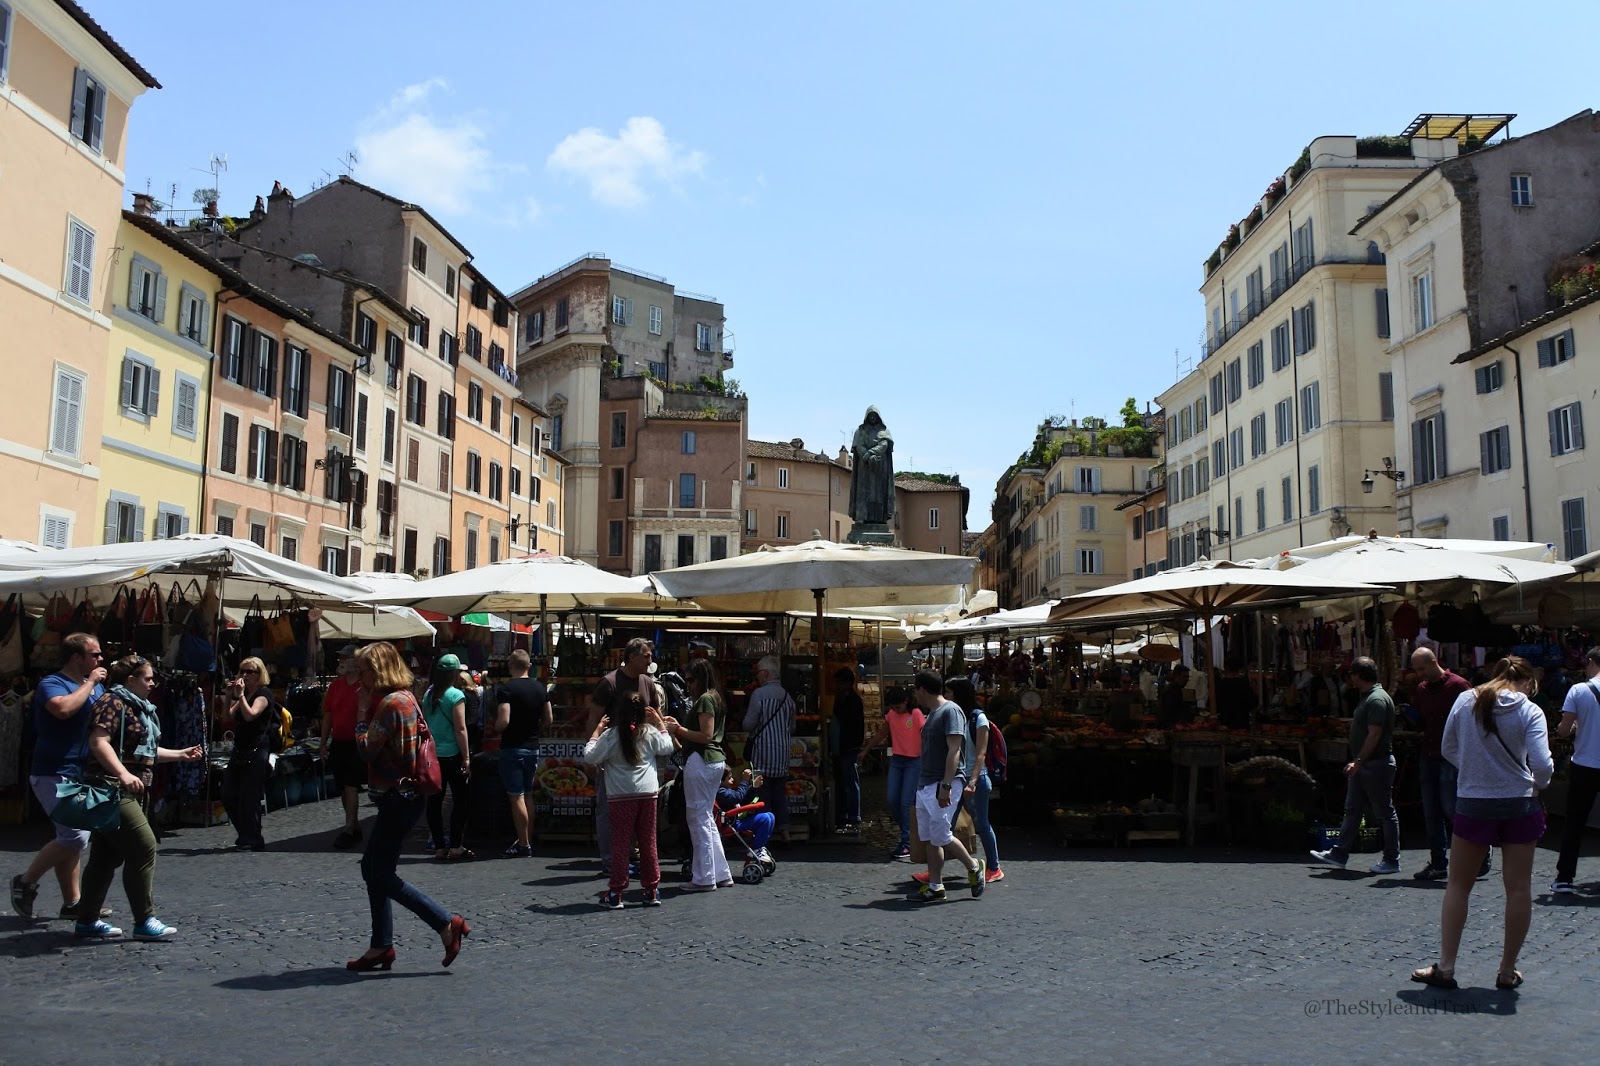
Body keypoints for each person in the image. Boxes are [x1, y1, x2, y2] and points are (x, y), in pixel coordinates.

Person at [1411, 656, 1553, 991]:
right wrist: (1535, 783)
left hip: (1475, 803)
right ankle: (1506, 970)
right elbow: (1543, 765)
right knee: (1518, 888)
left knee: (1459, 885)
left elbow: (1448, 748)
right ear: (1528, 683)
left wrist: (1476, 771)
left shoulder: (1465, 700)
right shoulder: (1530, 710)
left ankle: (1445, 968)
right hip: (1519, 803)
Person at [347, 642, 469, 972]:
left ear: (379, 670)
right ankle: (381, 945)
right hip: (404, 797)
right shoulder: (406, 696)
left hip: (398, 798)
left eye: (364, 671)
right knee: (371, 868)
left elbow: (368, 750)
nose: (360, 678)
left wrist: (360, 716)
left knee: (380, 873)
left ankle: (446, 922)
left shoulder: (391, 703)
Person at [73, 656, 204, 939]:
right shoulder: (112, 702)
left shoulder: (138, 708)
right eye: (147, 678)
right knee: (144, 848)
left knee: (106, 857)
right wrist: (122, 774)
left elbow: (144, 753)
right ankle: (144, 921)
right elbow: (98, 741)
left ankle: (86, 921)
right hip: (110, 789)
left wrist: (180, 754)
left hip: (129, 789)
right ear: (130, 680)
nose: (153, 683)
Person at [11, 633, 105, 922]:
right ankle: (24, 882)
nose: (101, 659)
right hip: (53, 770)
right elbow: (63, 709)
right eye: (95, 654)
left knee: (69, 836)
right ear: (77, 658)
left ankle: (72, 902)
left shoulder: (97, 689)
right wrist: (90, 683)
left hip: (81, 771)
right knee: (75, 836)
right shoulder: (52, 684)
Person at [583, 686, 674, 907]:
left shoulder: (611, 735)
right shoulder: (649, 733)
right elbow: (668, 746)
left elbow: (589, 756)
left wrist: (596, 732)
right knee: (648, 842)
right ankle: (652, 890)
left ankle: (616, 893)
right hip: (648, 794)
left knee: (621, 843)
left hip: (621, 796)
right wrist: (660, 723)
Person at [1310, 656, 1401, 875]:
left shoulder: (1376, 699)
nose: (1349, 678)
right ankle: (1340, 853)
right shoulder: (1369, 697)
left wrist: (1359, 761)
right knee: (1353, 809)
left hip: (1374, 763)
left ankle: (1392, 859)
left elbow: (1375, 734)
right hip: (1366, 763)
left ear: (1358, 675)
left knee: (1384, 812)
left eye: (1351, 674)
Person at [905, 671, 984, 903]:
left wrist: (946, 786)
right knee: (930, 837)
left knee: (941, 834)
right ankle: (936, 886)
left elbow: (955, 750)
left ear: (921, 689)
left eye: (915, 690)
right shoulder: (932, 714)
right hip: (926, 783)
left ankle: (973, 866)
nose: (914, 695)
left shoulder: (950, 710)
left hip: (943, 782)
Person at [588, 638, 663, 876]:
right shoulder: (609, 683)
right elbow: (594, 718)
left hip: (641, 759)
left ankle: (630, 855)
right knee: (608, 807)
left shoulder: (648, 683)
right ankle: (611, 859)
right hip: (613, 756)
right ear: (632, 657)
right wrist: (593, 752)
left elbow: (656, 715)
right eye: (646, 655)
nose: (650, 659)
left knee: (638, 809)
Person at [664, 658, 732, 890]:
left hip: (703, 760)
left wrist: (678, 729)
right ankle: (720, 872)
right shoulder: (715, 697)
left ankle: (704, 877)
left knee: (698, 818)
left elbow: (706, 735)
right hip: (712, 762)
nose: (688, 685)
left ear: (700, 678)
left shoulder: (705, 699)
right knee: (706, 818)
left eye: (691, 680)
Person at [1410, 648, 1473, 881]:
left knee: (1451, 808)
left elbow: (1472, 720)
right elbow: (1421, 719)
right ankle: (1438, 863)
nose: (1419, 674)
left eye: (1421, 668)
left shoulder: (1459, 686)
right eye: (1416, 670)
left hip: (1451, 757)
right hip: (1429, 755)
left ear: (1433, 662)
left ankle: (1478, 852)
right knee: (1431, 812)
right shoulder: (1422, 690)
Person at [1550, 646, 1600, 893]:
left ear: (1590, 662)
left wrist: (1576, 725)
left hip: (1586, 764)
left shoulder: (1579, 690)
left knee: (1575, 823)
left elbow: (1563, 730)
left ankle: (1565, 878)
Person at [493, 649, 551, 858]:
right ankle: (527, 837)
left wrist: (496, 727)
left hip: (513, 747)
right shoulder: (540, 688)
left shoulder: (506, 689)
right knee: (527, 794)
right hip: (533, 747)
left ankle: (523, 844)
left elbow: (504, 721)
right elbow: (549, 719)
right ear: (529, 666)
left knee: (515, 796)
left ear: (510, 666)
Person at [860, 686, 923, 860]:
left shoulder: (916, 714)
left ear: (906, 702)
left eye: (898, 707)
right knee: (892, 799)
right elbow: (882, 732)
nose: (896, 710)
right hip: (897, 760)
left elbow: (925, 735)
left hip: (914, 762)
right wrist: (867, 749)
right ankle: (908, 833)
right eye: (893, 708)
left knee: (905, 802)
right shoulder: (892, 715)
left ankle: (907, 842)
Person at [949, 678, 1002, 883]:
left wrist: (972, 782)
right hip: (956, 779)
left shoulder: (978, 719)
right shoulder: (954, 715)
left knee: (982, 824)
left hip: (976, 779)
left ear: (959, 694)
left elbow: (981, 754)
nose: (946, 696)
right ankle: (934, 870)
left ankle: (994, 867)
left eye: (949, 692)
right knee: (945, 826)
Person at [421, 653, 472, 861]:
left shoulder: (428, 694)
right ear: (454, 674)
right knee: (461, 801)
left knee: (434, 801)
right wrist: (467, 757)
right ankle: (456, 844)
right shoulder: (455, 695)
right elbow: (460, 728)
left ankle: (439, 846)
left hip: (432, 755)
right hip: (452, 754)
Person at [220, 656, 274, 852]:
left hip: (257, 750)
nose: (244, 675)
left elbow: (250, 715)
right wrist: (228, 695)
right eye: (242, 671)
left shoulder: (263, 694)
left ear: (259, 674)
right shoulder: (246, 694)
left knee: (249, 797)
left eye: (249, 672)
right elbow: (227, 718)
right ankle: (244, 833)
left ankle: (253, 837)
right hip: (240, 749)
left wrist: (241, 695)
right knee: (228, 793)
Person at [743, 655, 796, 844]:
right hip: (781, 755)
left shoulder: (758, 695)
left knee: (762, 794)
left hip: (762, 754)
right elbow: (793, 727)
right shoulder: (787, 697)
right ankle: (786, 833)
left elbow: (749, 724)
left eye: (758, 673)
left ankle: (763, 835)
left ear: (765, 674)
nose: (757, 677)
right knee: (779, 794)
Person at [319, 646, 366, 849]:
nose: (342, 662)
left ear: (357, 663)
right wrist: (323, 743)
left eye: (346, 658)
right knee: (343, 787)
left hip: (357, 742)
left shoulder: (364, 686)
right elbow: (328, 715)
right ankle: (354, 825)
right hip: (338, 741)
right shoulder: (335, 686)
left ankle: (348, 828)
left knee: (351, 784)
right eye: (341, 658)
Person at [848, 406, 895, 526]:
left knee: (878, 494)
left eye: (874, 416)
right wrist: (867, 456)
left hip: (879, 468)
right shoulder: (860, 431)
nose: (872, 418)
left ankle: (879, 518)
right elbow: (858, 445)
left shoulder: (884, 432)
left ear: (878, 417)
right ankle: (861, 517)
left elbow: (884, 444)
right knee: (863, 493)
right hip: (864, 468)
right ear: (866, 417)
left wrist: (871, 453)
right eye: (870, 416)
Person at [833, 668, 865, 831]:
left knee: (850, 781)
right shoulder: (846, 698)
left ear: (846, 683)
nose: (836, 685)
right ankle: (847, 814)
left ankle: (853, 815)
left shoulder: (851, 700)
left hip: (849, 746)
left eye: (838, 682)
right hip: (846, 745)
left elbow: (851, 724)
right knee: (846, 781)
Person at [718, 767, 774, 859]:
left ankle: (760, 846)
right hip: (731, 823)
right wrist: (744, 781)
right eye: (729, 778)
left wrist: (753, 787)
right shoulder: (720, 792)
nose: (732, 780)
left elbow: (742, 800)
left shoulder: (727, 790)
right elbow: (737, 797)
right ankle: (756, 848)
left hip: (738, 818)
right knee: (765, 819)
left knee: (770, 816)